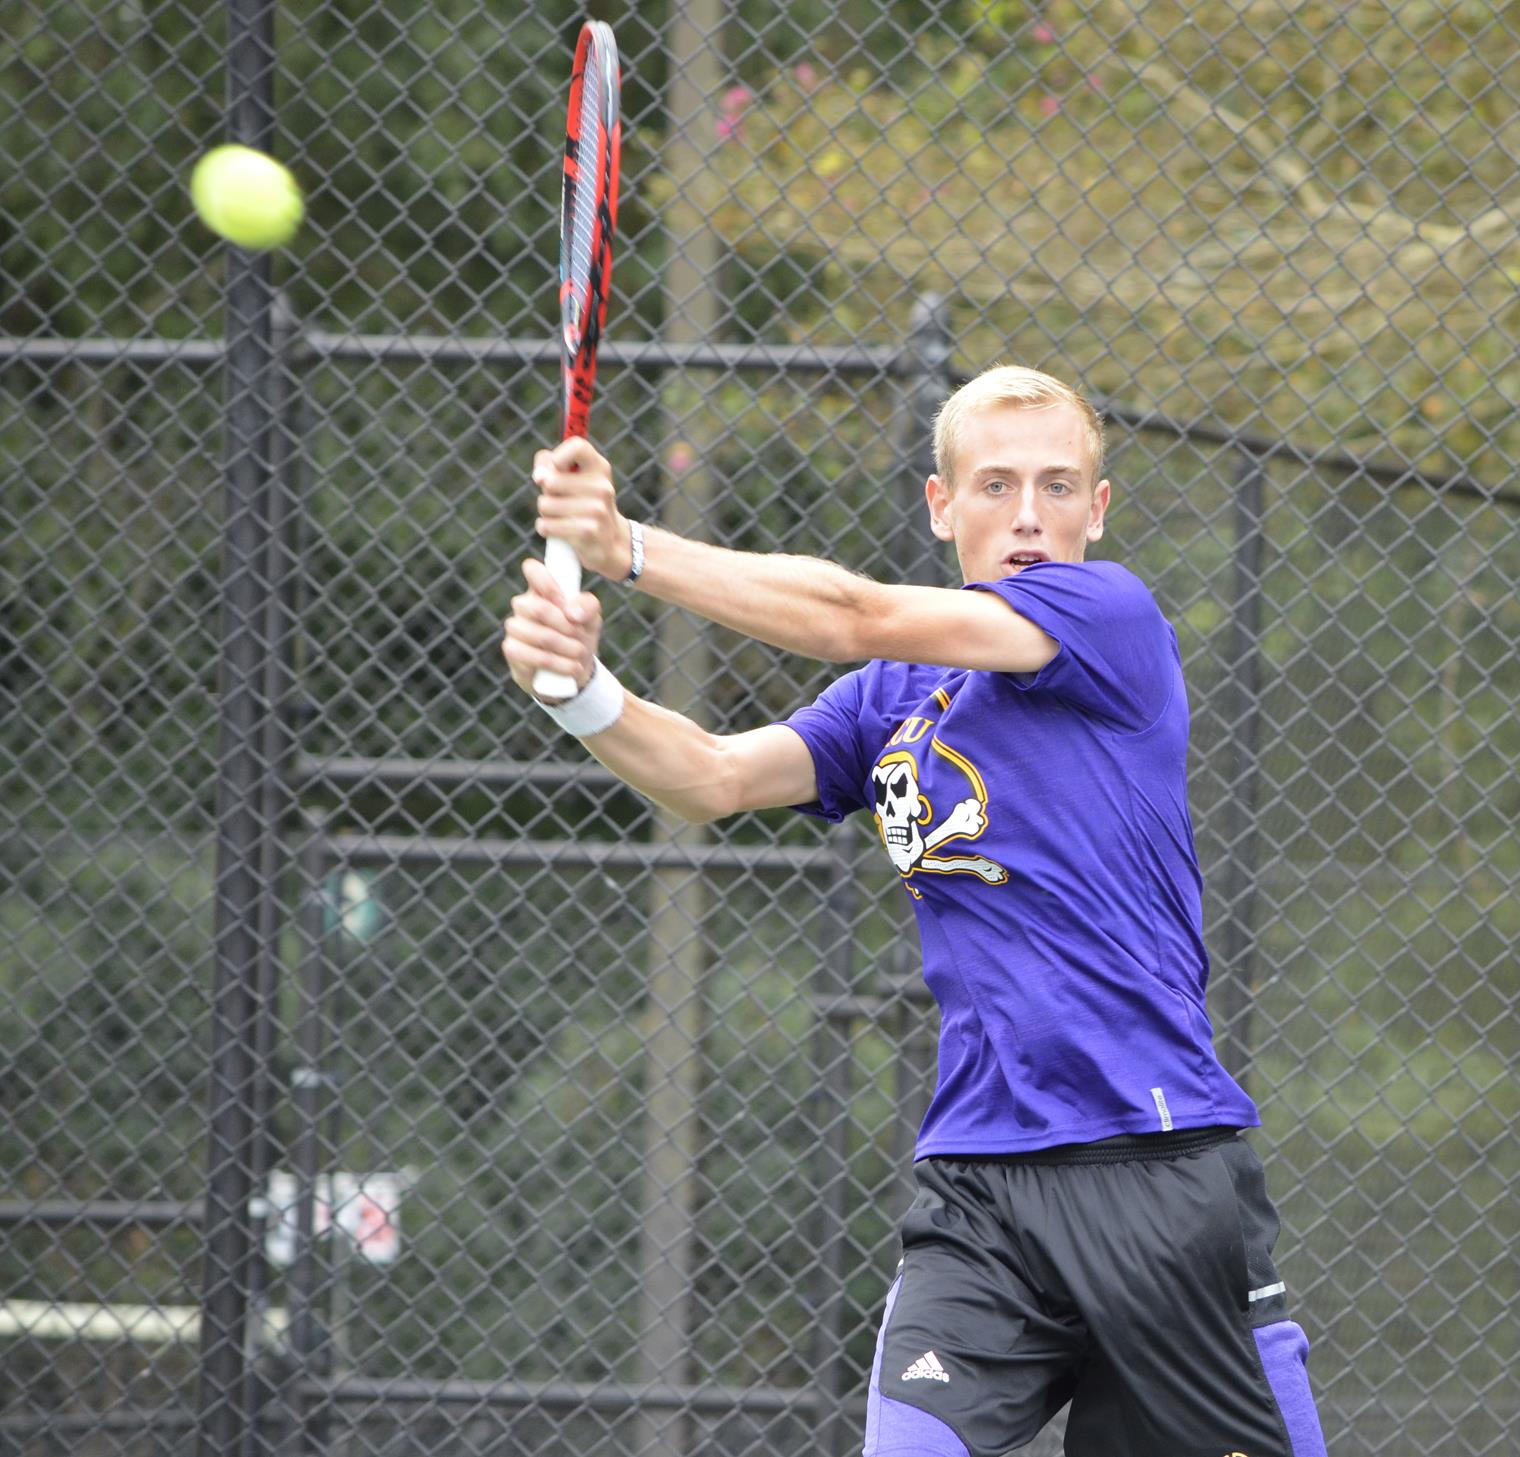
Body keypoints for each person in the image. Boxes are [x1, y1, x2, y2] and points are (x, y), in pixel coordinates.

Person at [500, 366, 1328, 1457]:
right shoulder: (896, 696)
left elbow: (854, 614)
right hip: (980, 1189)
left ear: (1096, 509)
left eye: (1056, 485)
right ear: (942, 506)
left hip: (1158, 1171)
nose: (1027, 514)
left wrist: (628, 547)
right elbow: (711, 776)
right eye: (994, 484)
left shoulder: (1110, 617)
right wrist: (583, 694)